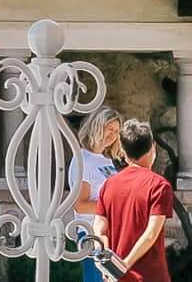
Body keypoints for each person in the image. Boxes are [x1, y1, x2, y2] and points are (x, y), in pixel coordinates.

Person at [96, 118, 174, 282]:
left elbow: (99, 231)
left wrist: (109, 265)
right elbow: (151, 234)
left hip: (116, 278)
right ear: (153, 147)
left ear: (123, 152)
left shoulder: (108, 185)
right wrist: (124, 264)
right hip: (150, 276)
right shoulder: (159, 186)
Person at [74, 108, 125, 282]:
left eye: (117, 131)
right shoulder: (82, 159)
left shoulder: (108, 161)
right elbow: (79, 204)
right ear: (97, 127)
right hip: (91, 234)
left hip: (112, 234)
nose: (114, 135)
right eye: (110, 129)